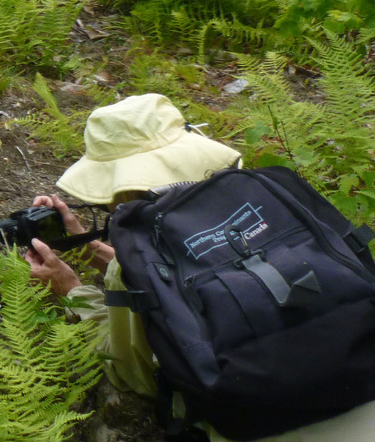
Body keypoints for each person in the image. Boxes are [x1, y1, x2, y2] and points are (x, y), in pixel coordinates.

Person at [24, 94, 375, 441]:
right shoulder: (272, 196)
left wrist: (72, 290)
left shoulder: (134, 263)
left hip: (264, 425)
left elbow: (132, 372)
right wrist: (93, 251)